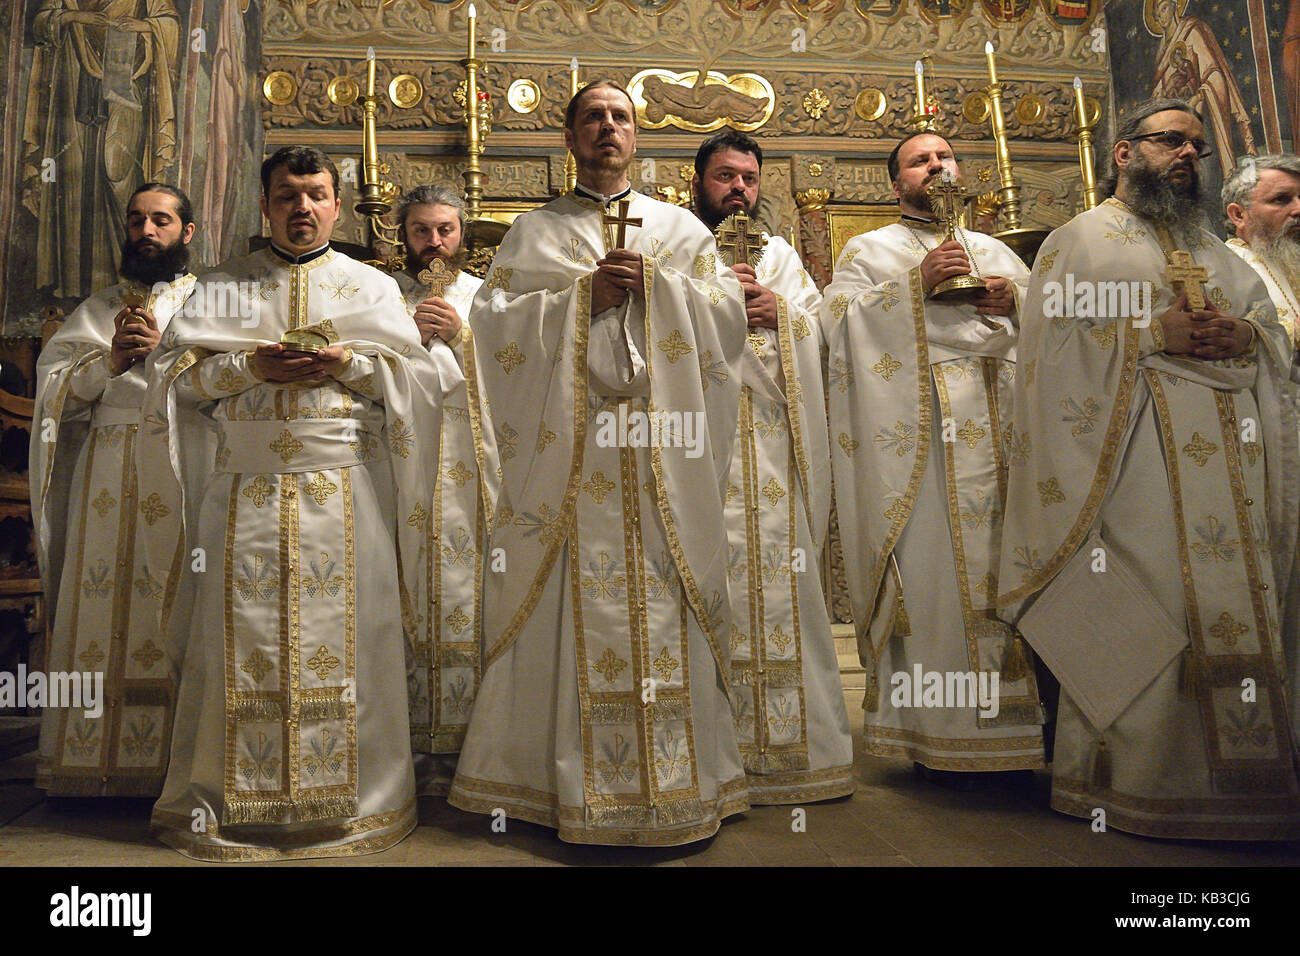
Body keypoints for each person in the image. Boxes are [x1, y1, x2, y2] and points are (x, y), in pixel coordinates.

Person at [447, 81, 751, 845]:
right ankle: (550, 785)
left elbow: (728, 325)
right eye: (592, 117)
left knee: (664, 599)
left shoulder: (682, 231)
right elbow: (495, 330)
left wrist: (659, 287)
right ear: (570, 137)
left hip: (659, 459)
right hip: (571, 462)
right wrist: (584, 301)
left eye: (620, 117)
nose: (607, 128)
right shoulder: (535, 233)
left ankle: (683, 784)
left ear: (638, 138)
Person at [137, 146, 456, 860]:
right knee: (235, 647)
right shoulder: (220, 288)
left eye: (315, 195)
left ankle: (355, 802)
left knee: (353, 648)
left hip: (343, 497)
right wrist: (249, 364)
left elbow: (418, 389)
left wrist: (351, 362)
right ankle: (232, 803)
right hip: (242, 496)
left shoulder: (370, 290)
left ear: (337, 206)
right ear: (266, 206)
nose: (302, 208)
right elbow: (175, 387)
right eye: (287, 196)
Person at [998, 98, 1300, 839]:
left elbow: (1273, 338)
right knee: (1150, 613)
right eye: (1170, 141)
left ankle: (1247, 789)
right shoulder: (1080, 243)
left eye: (1197, 144)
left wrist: (1247, 336)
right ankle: (1133, 785)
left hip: (1230, 478)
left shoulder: (1223, 254)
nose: (1188, 154)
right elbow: (1045, 361)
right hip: (1130, 478)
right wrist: (1144, 334)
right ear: (1124, 154)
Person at [822, 131, 1045, 784]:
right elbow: (837, 329)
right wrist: (912, 285)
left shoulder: (997, 250)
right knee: (936, 583)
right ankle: (936, 735)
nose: (937, 166)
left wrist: (1018, 301)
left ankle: (1024, 737)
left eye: (944, 156)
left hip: (1003, 435)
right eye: (920, 160)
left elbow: (1057, 335)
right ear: (897, 185)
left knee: (1012, 575)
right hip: (919, 447)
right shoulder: (870, 250)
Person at [690, 130, 852, 803]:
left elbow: (825, 335)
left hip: (772, 450)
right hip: (700, 449)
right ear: (698, 182)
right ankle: (713, 755)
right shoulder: (682, 248)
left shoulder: (781, 254)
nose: (740, 191)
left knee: (784, 585)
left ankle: (792, 753)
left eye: (751, 179)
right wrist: (715, 307)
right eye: (726, 176)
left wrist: (779, 314)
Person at [31, 183, 197, 796]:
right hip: (104, 470)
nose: (146, 231)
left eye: (160, 220)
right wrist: (106, 366)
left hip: (177, 466)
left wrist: (163, 359)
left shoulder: (211, 303)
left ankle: (171, 771)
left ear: (187, 232)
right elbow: (56, 392)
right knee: (99, 600)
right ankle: (86, 767)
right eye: (136, 221)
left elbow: (227, 385)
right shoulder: (98, 308)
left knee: (169, 595)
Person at [390, 184, 499, 796]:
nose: (434, 243)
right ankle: (400, 745)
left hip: (472, 477)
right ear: (401, 237)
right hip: (400, 473)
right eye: (421, 231)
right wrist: (404, 336)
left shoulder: (487, 300)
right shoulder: (381, 298)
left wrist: (462, 338)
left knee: (471, 594)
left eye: (446, 231)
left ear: (463, 235)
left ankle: (473, 748)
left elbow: (524, 374)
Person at [1222, 154, 1300, 347]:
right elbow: (1225, 348)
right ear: (1238, 215)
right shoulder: (1223, 269)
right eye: (1281, 199)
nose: (1298, 208)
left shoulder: (1293, 253)